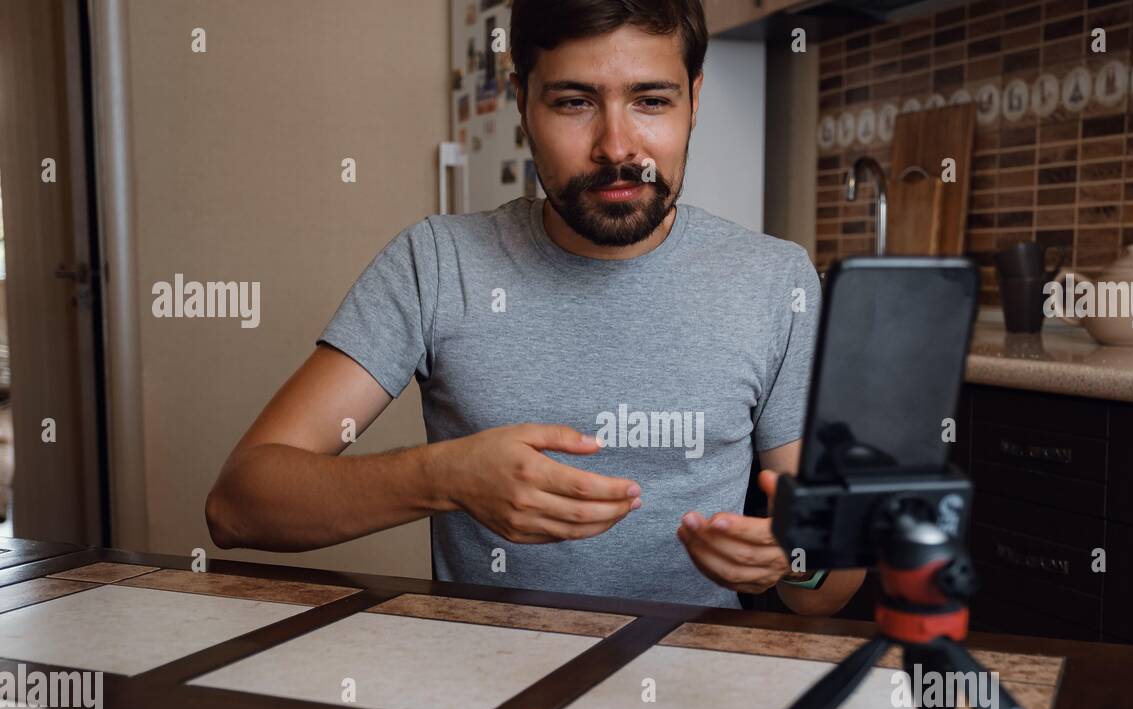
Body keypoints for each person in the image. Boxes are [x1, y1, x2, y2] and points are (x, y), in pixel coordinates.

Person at [205, 0, 866, 614]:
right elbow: (237, 506)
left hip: (691, 693)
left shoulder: (776, 279)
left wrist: (794, 558)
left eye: (651, 101)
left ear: (693, 101)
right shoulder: (436, 263)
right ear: (522, 102)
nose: (617, 147)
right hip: (487, 691)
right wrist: (445, 476)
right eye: (575, 101)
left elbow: (822, 595)